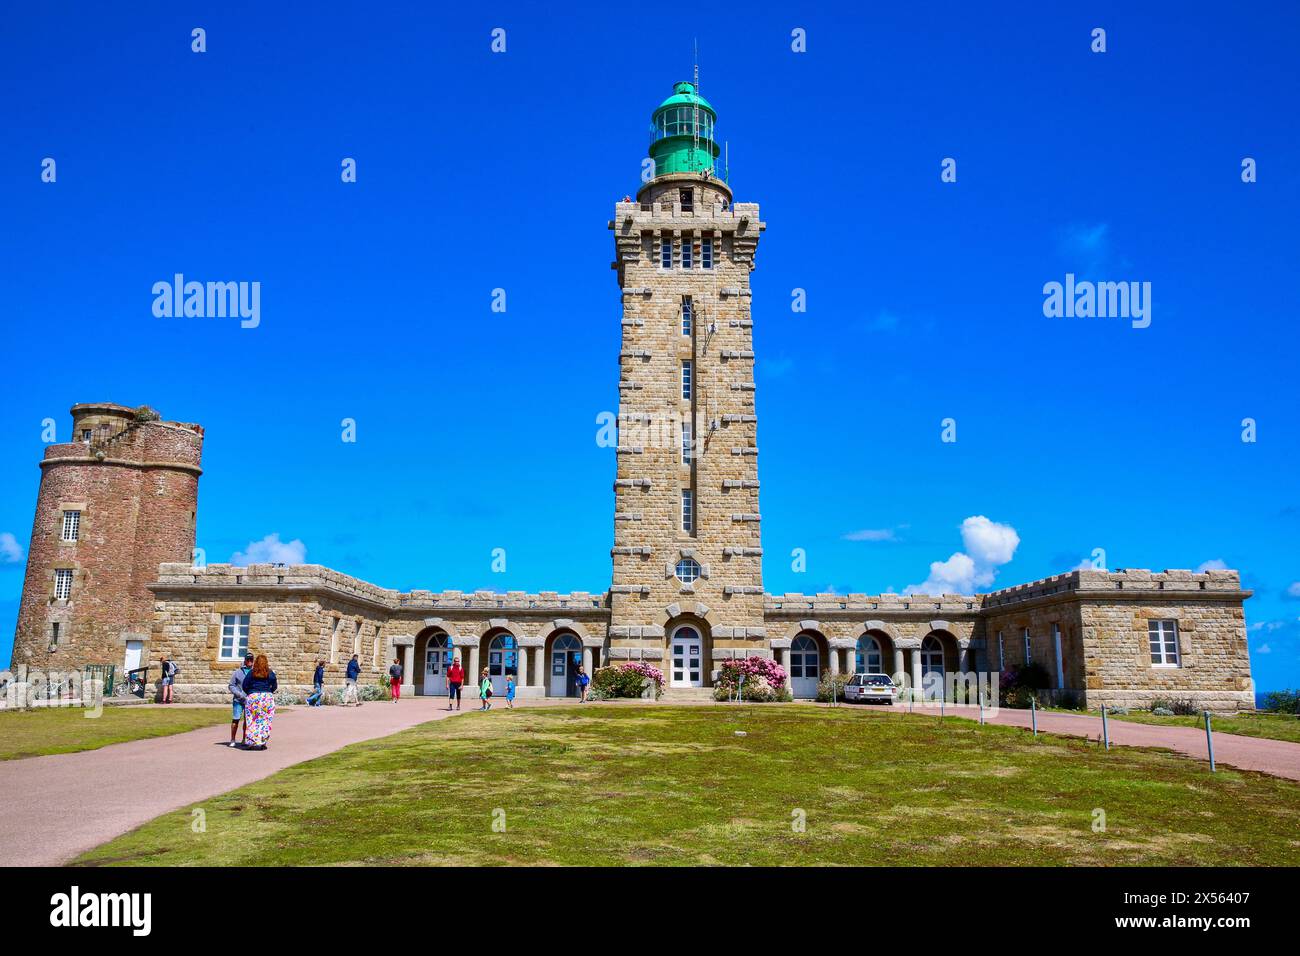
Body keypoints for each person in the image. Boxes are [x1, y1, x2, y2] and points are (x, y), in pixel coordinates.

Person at [241, 654, 278, 750]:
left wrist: (250, 692)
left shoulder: (251, 672)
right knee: (265, 720)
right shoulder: (270, 673)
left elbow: (245, 685)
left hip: (253, 697)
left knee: (251, 720)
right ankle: (263, 742)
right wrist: (269, 691)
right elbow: (274, 685)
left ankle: (251, 742)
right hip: (266, 697)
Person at [227, 653, 253, 747]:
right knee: (236, 719)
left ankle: (244, 739)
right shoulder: (238, 672)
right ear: (245, 660)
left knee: (247, 721)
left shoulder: (254, 672)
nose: (250, 661)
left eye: (251, 659)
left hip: (249, 700)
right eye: (248, 659)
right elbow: (231, 685)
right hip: (238, 700)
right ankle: (233, 739)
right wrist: (238, 694)